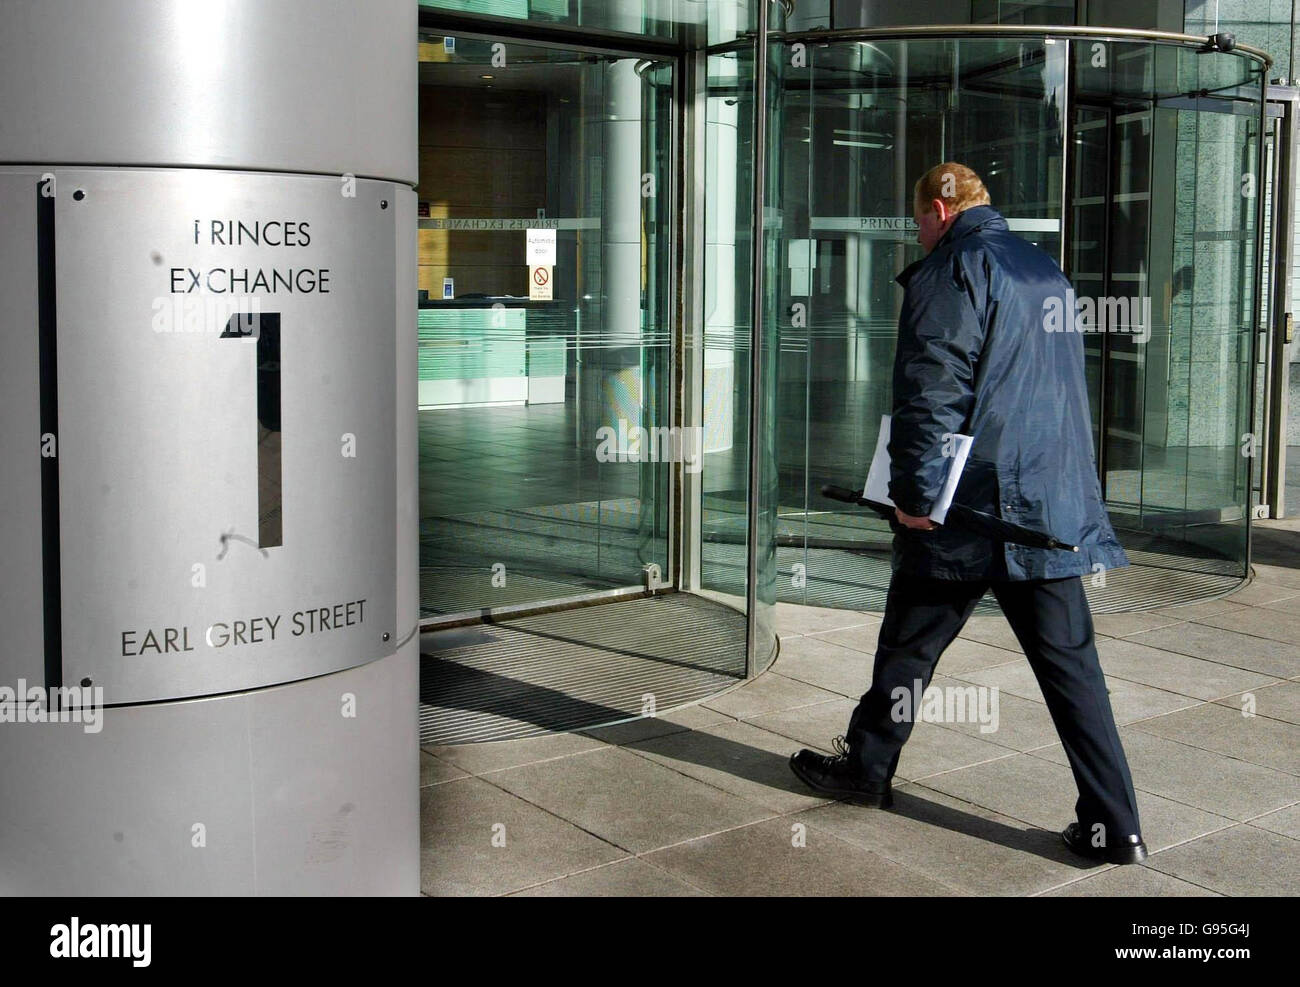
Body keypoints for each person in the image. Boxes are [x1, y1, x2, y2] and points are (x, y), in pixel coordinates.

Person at [789, 162, 1147, 865]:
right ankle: (1117, 825)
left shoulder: (953, 270)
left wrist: (916, 498)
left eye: (918, 218)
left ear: (942, 212)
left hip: (970, 505)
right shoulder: (1046, 271)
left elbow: (932, 389)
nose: (917, 232)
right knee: (1073, 671)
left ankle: (866, 768)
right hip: (1044, 507)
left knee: (909, 644)